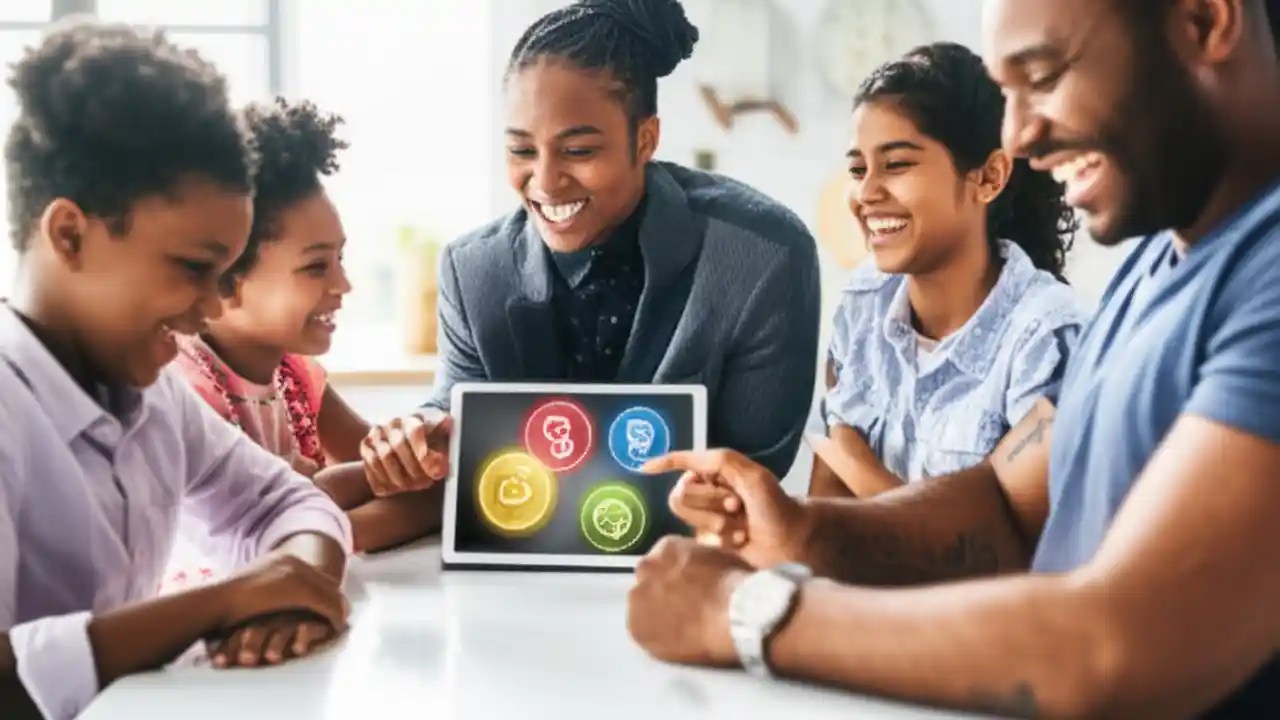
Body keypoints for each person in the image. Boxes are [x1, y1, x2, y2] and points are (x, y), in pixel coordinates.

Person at [626, 0, 1280, 716]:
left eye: (1044, 76)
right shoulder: (1160, 258)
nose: (1020, 135)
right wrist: (804, 529)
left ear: (1204, 21)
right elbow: (1006, 508)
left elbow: (1115, 645)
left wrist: (745, 613)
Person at [0, 21, 353, 720]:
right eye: (194, 268)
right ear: (70, 234)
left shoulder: (155, 397)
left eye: (224, 274)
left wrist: (289, 588)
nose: (211, 307)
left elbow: (289, 505)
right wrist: (223, 602)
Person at [350, 0, 820, 494]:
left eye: (578, 151)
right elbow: (455, 416)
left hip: (702, 537)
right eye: (521, 150)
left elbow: (754, 468)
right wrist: (421, 436)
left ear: (645, 140)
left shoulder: (763, 255)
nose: (546, 181)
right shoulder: (473, 273)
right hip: (520, 536)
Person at [810, 42, 1086, 498]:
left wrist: (855, 459)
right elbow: (822, 515)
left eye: (896, 165)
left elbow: (1010, 534)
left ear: (989, 177)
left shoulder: (1047, 340)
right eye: (858, 170)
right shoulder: (863, 305)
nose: (867, 193)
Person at [172, 98, 436, 553]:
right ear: (223, 278)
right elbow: (265, 536)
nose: (344, 284)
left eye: (340, 259)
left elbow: (420, 487)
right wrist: (351, 491)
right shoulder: (182, 390)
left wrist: (409, 464)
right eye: (316, 267)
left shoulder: (294, 375)